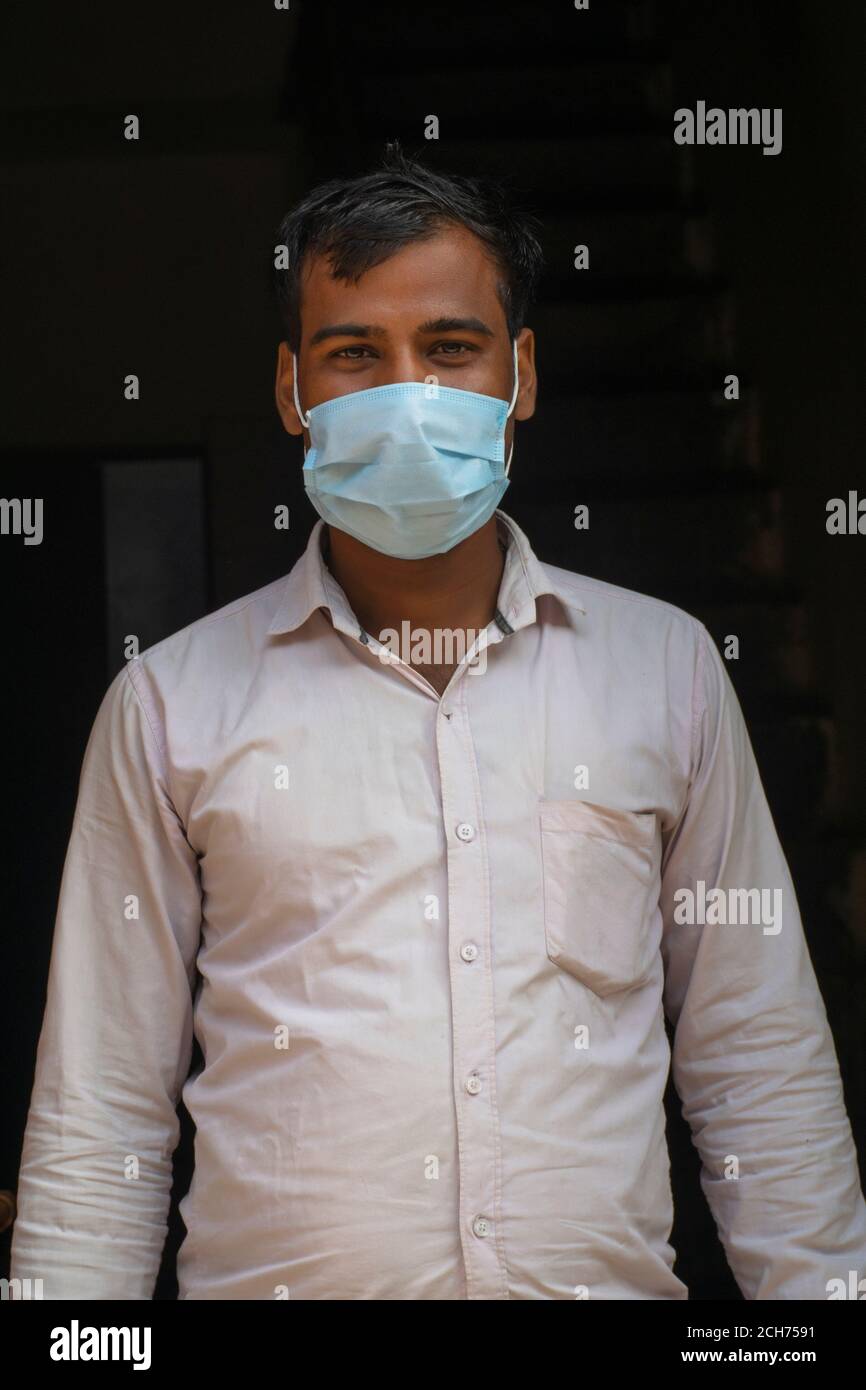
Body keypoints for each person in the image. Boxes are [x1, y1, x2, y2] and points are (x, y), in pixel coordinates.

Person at [11, 142, 866, 1300]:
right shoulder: (170, 706)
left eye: (448, 349)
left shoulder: (659, 671)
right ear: (289, 390)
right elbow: (101, 1102)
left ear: (520, 374)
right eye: (354, 353)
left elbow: (754, 1058)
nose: (405, 396)